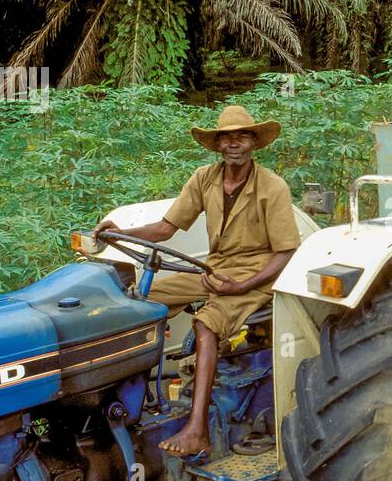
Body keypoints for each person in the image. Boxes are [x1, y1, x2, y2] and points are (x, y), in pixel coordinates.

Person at [94, 104, 300, 457]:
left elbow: (285, 253)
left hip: (256, 277)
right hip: (214, 270)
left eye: (242, 136)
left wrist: (241, 286)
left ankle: (196, 429)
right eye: (227, 137)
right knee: (139, 299)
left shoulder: (272, 187)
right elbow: (164, 228)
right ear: (218, 144)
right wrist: (120, 234)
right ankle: (127, 400)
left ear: (253, 142)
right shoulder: (204, 178)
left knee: (206, 323)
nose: (234, 143)